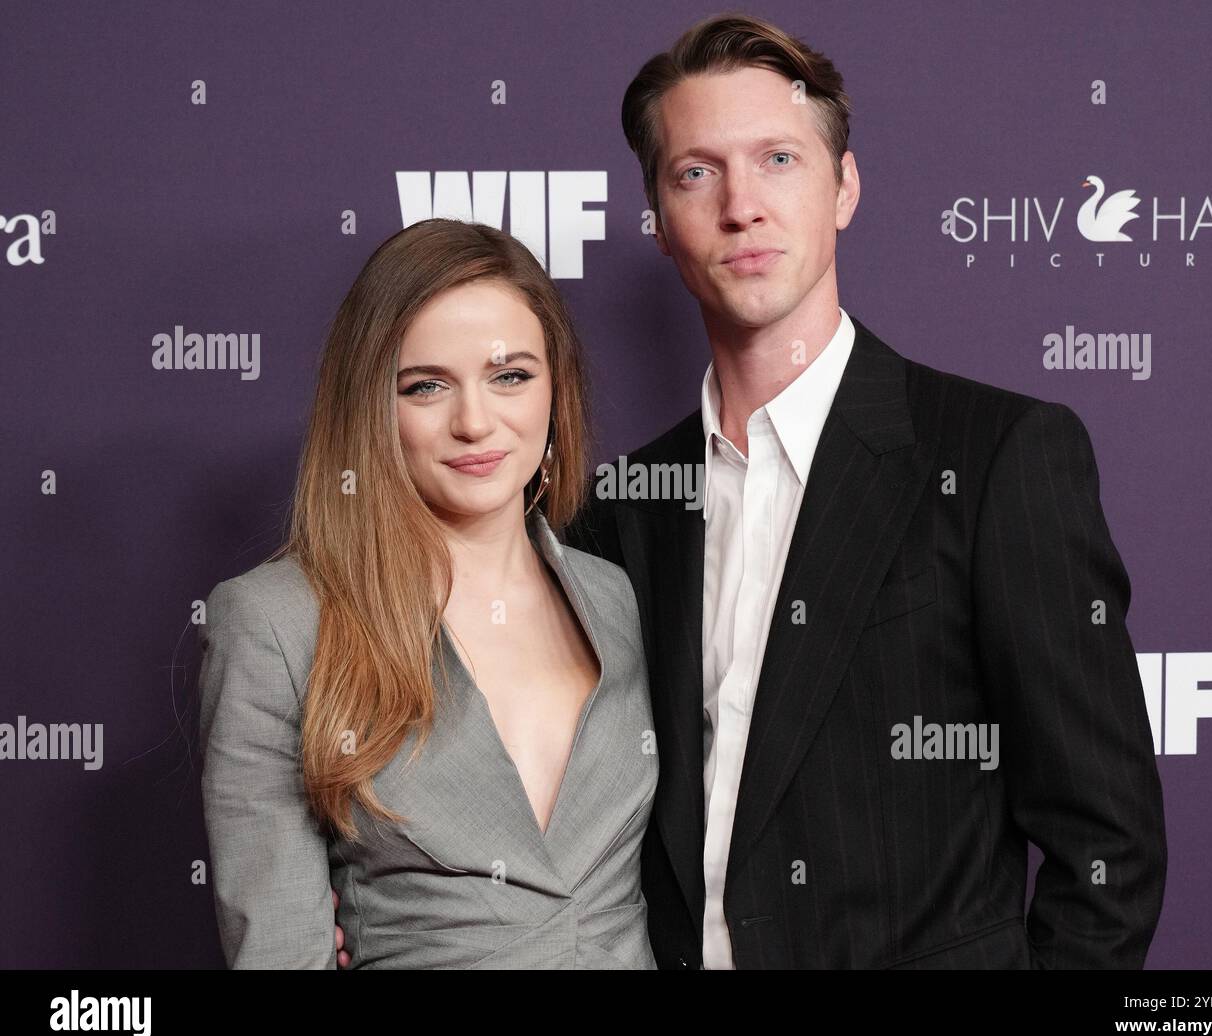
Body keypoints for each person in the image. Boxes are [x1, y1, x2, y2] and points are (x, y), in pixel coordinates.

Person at [337, 12, 1167, 970]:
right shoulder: (615, 515)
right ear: (657, 217)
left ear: (844, 185)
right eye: (697, 172)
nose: (742, 206)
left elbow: (1107, 844)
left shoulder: (997, 458)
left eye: (778, 159)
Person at [198, 218, 658, 969]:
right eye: (426, 386)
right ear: (371, 406)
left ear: (556, 390)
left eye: (510, 375)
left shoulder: (614, 599)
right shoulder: (279, 622)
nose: (475, 422)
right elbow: (279, 949)